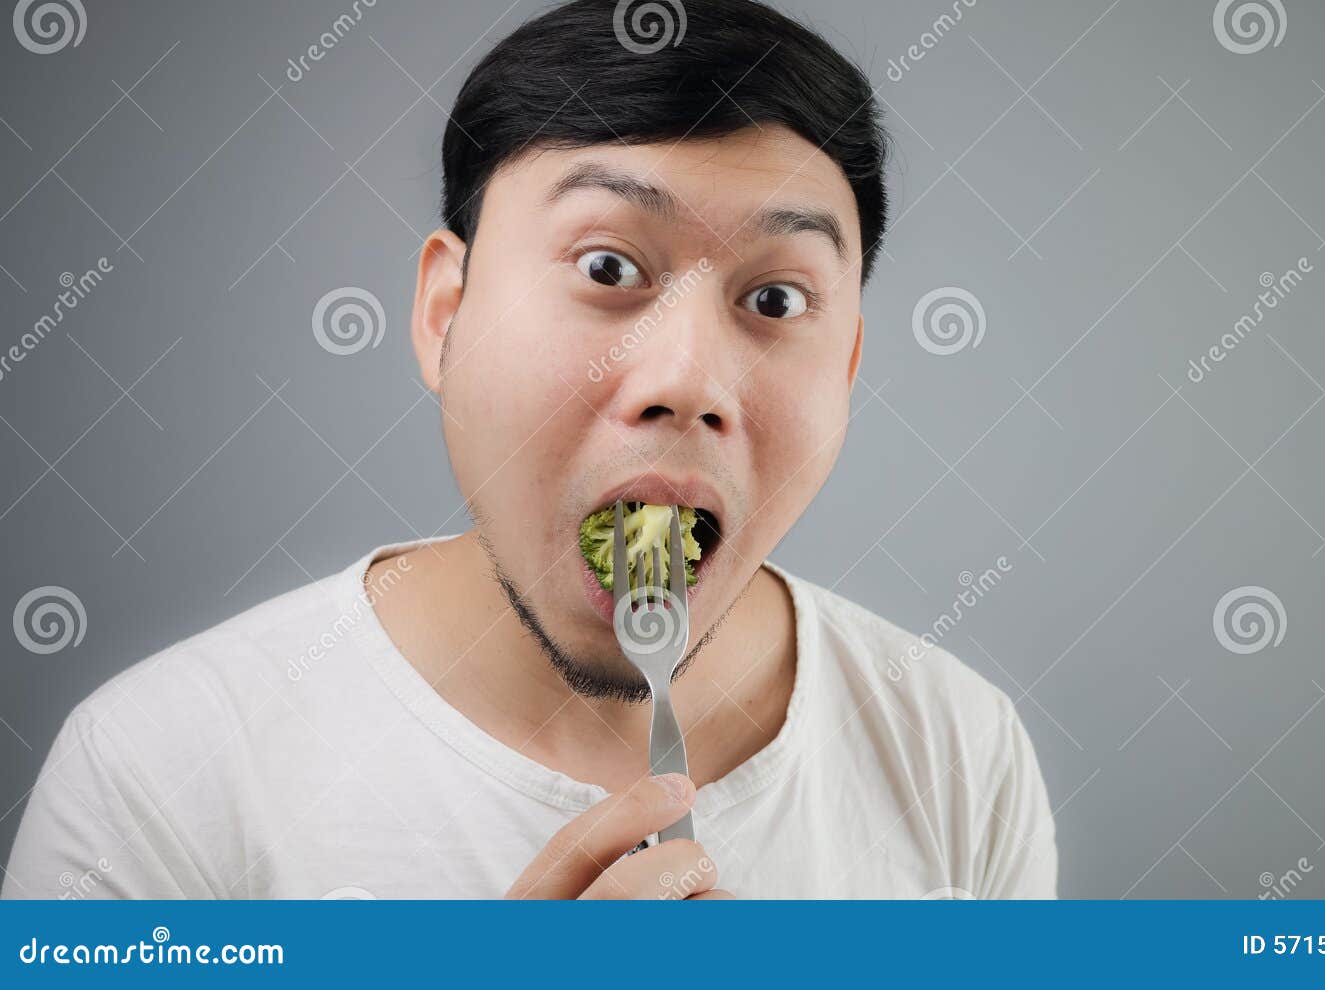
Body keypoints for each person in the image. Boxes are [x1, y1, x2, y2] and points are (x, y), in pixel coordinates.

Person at [3, 0, 1056, 899]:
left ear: (848, 369)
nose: (686, 381)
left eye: (774, 299)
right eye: (607, 269)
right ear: (443, 315)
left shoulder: (957, 751)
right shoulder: (158, 778)